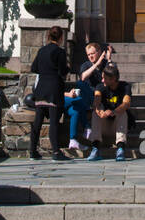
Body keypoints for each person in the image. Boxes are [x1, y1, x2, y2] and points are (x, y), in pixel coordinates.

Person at [28, 25, 70, 159]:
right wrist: (66, 69)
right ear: (61, 37)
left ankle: (32, 150)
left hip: (41, 88)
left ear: (48, 36)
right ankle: (56, 152)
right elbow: (62, 71)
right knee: (53, 121)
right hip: (54, 88)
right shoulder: (60, 52)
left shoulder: (41, 51)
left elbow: (34, 67)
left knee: (38, 122)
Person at [64, 41, 109, 153]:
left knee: (76, 100)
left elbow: (112, 76)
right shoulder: (86, 65)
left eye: (93, 53)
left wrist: (108, 60)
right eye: (88, 54)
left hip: (97, 96)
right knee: (75, 105)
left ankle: (86, 128)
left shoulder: (106, 63)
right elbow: (83, 77)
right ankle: (78, 135)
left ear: (99, 52)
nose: (91, 56)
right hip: (85, 95)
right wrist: (96, 64)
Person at [86, 62, 131, 162]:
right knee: (95, 114)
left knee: (123, 113)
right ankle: (96, 148)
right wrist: (100, 111)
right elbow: (96, 102)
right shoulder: (100, 87)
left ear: (113, 79)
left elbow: (126, 103)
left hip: (117, 125)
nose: (103, 80)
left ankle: (120, 148)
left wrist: (114, 112)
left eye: (105, 78)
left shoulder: (125, 86)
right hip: (104, 124)